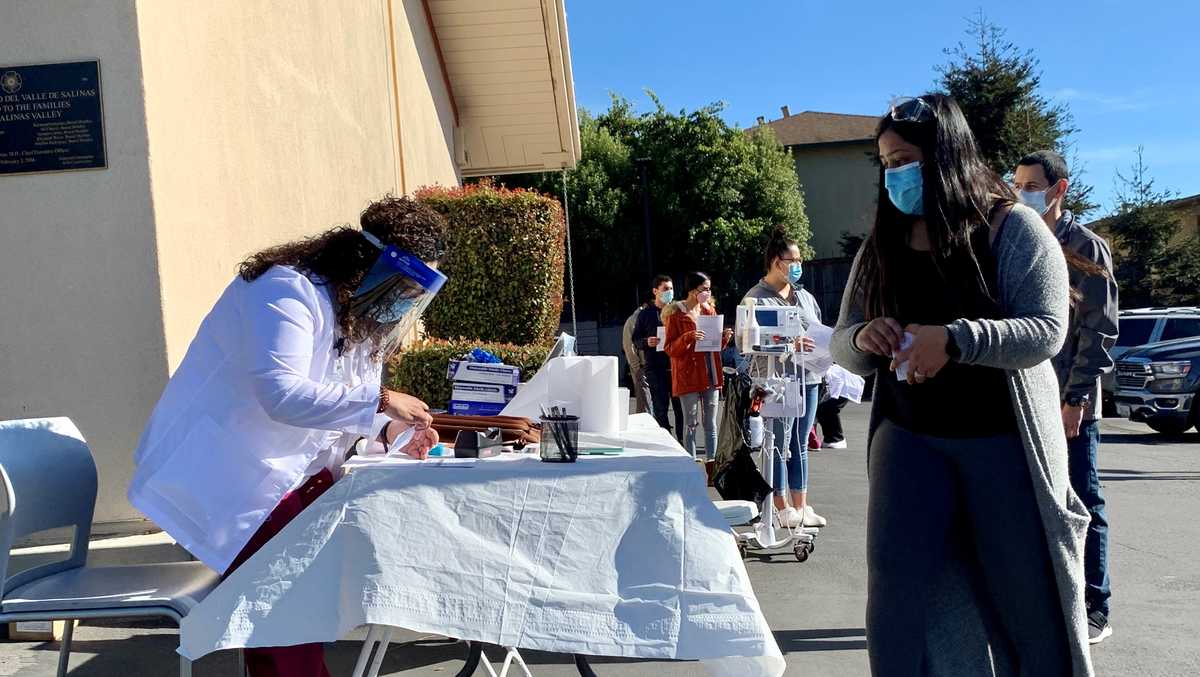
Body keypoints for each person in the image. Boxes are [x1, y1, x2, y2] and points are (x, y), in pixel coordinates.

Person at [830, 94, 1093, 676]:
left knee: (1027, 606)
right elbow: (841, 342)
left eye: (904, 159)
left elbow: (1047, 329)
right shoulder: (883, 245)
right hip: (909, 440)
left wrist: (954, 338)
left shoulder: (1013, 228)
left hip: (1004, 448)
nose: (894, 175)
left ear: (946, 154)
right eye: (886, 164)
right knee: (898, 602)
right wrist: (865, 337)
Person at [127, 196, 445, 677]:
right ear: (371, 265)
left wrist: (391, 429)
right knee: (282, 617)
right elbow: (284, 394)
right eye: (405, 286)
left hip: (290, 474)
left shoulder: (359, 317)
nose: (406, 301)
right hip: (236, 473)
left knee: (297, 615)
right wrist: (382, 403)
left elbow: (344, 400)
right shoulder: (286, 290)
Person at [1015, 149, 1119, 644]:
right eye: (1016, 184)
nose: (1021, 193)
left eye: (1031, 185)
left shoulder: (1085, 247)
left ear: (1059, 190)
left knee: (1082, 501)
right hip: (1026, 401)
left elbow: (1099, 331)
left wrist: (1076, 399)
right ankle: (1047, 599)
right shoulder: (1017, 240)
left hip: (1070, 404)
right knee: (1031, 506)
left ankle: (1094, 605)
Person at [739, 226, 827, 528]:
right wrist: (790, 344)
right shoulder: (756, 298)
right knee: (778, 443)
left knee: (800, 442)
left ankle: (801, 505)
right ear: (777, 262)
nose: (798, 265)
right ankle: (779, 505)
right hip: (777, 382)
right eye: (794, 259)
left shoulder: (804, 296)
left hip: (809, 378)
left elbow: (818, 328)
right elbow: (746, 342)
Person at [663, 272, 733, 459]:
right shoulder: (676, 314)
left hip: (710, 372)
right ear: (693, 290)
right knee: (691, 423)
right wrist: (688, 337)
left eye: (709, 289)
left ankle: (712, 465)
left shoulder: (709, 310)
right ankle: (691, 465)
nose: (708, 293)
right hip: (688, 375)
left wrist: (724, 338)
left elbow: (714, 345)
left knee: (710, 423)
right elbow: (669, 348)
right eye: (705, 289)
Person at [632, 274, 684, 440]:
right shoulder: (645, 314)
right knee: (661, 408)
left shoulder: (679, 311)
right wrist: (647, 341)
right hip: (656, 368)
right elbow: (636, 340)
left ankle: (683, 440)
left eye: (671, 289)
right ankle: (666, 440)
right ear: (655, 291)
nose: (669, 292)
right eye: (665, 289)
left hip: (677, 366)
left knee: (680, 408)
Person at [622, 299, 650, 414]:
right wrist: (637, 368)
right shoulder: (633, 320)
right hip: (642, 367)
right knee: (644, 405)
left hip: (654, 366)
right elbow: (629, 347)